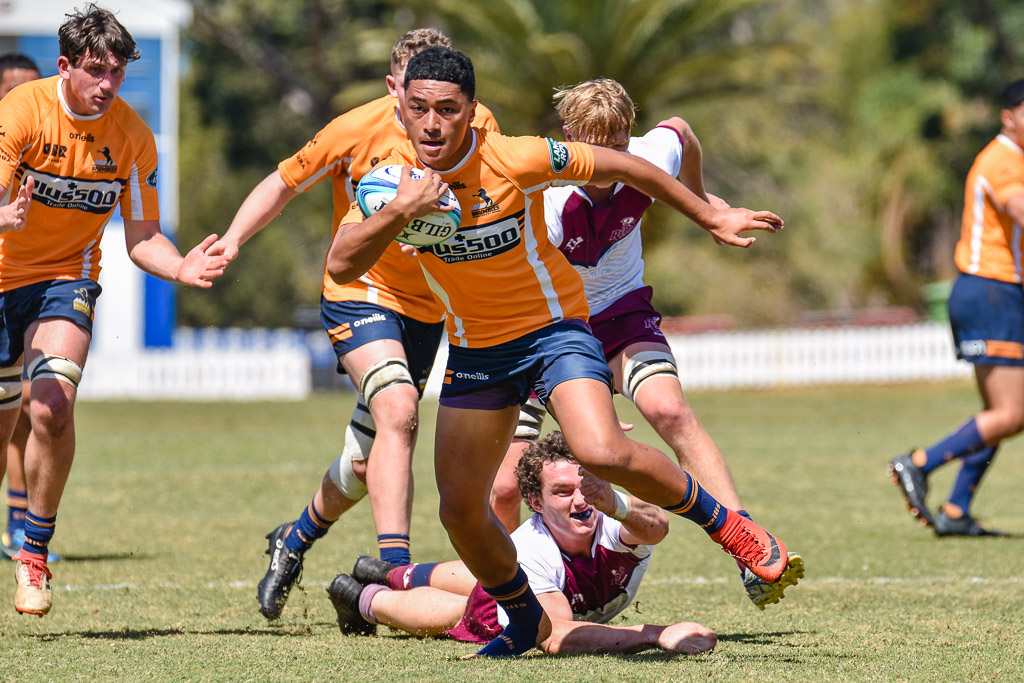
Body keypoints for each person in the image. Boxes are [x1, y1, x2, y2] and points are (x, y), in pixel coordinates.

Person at [326, 46, 803, 657]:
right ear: (402, 108)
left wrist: (708, 214)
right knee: (462, 512)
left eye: (448, 109)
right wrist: (399, 212)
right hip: (477, 350)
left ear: (472, 111)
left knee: (599, 447)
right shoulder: (388, 180)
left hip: (555, 329)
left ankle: (732, 528)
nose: (433, 123)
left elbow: (635, 166)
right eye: (419, 108)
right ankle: (523, 618)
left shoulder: (519, 157)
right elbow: (342, 261)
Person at [210, 29, 500, 621]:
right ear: (394, 87)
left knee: (367, 462)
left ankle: (292, 541)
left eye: (439, 101)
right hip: (359, 291)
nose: (424, 114)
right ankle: (392, 570)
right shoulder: (355, 128)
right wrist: (233, 241)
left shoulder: (477, 125)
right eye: (408, 94)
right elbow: (283, 181)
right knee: (398, 409)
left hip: (430, 309)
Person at [486, 79, 800, 609]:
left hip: (623, 312)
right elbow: (521, 298)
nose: (611, 161)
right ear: (568, 138)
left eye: (620, 147)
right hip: (550, 329)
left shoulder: (648, 155)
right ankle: (506, 599)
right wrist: (576, 403)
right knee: (504, 490)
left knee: (669, 409)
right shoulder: (549, 201)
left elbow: (682, 131)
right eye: (595, 149)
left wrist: (701, 200)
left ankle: (745, 544)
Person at [0, 4, 228, 617]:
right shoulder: (21, 111)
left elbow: (141, 235)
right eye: (96, 70)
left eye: (118, 72)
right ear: (65, 66)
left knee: (51, 404)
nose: (108, 85)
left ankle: (34, 556)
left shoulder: (133, 136)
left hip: (65, 278)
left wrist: (179, 266)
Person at [325, 431, 718, 656]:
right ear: (535, 502)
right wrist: (653, 634)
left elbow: (656, 528)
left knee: (472, 573)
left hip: (530, 569)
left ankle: (387, 572)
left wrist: (615, 501)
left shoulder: (606, 517)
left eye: (586, 486)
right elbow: (554, 634)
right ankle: (361, 598)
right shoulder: (531, 550)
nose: (580, 501)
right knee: (464, 611)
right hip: (509, 602)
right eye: (562, 492)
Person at [888, 79, 1024, 537]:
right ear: (1008, 116)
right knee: (1012, 413)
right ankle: (919, 464)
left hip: (997, 291)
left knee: (998, 413)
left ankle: (956, 509)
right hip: (991, 290)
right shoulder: (1003, 160)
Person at [0, 52, 51, 562]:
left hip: (29, 287)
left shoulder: (47, 145)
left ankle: (19, 522)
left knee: (29, 402)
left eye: (30, 89)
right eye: (11, 89)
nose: (22, 99)